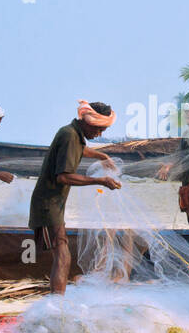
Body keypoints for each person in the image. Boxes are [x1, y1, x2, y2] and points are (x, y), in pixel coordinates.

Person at [28, 101, 122, 293]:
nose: (100, 134)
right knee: (63, 255)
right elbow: (63, 176)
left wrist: (102, 156)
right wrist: (100, 181)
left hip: (53, 203)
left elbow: (80, 150)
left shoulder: (72, 133)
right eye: (99, 129)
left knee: (62, 253)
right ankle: (57, 303)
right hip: (48, 204)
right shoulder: (70, 136)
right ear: (88, 122)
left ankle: (57, 299)